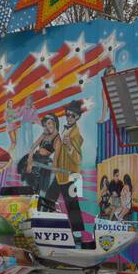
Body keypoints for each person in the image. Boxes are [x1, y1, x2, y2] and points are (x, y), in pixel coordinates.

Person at [48, 100, 86, 242]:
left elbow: (78, 158)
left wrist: (70, 146)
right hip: (60, 173)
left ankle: (77, 232)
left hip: (70, 175)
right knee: (48, 199)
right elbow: (58, 150)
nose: (69, 117)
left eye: (72, 116)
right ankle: (48, 226)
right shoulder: (64, 129)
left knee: (71, 203)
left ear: (77, 118)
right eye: (68, 114)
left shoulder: (75, 134)